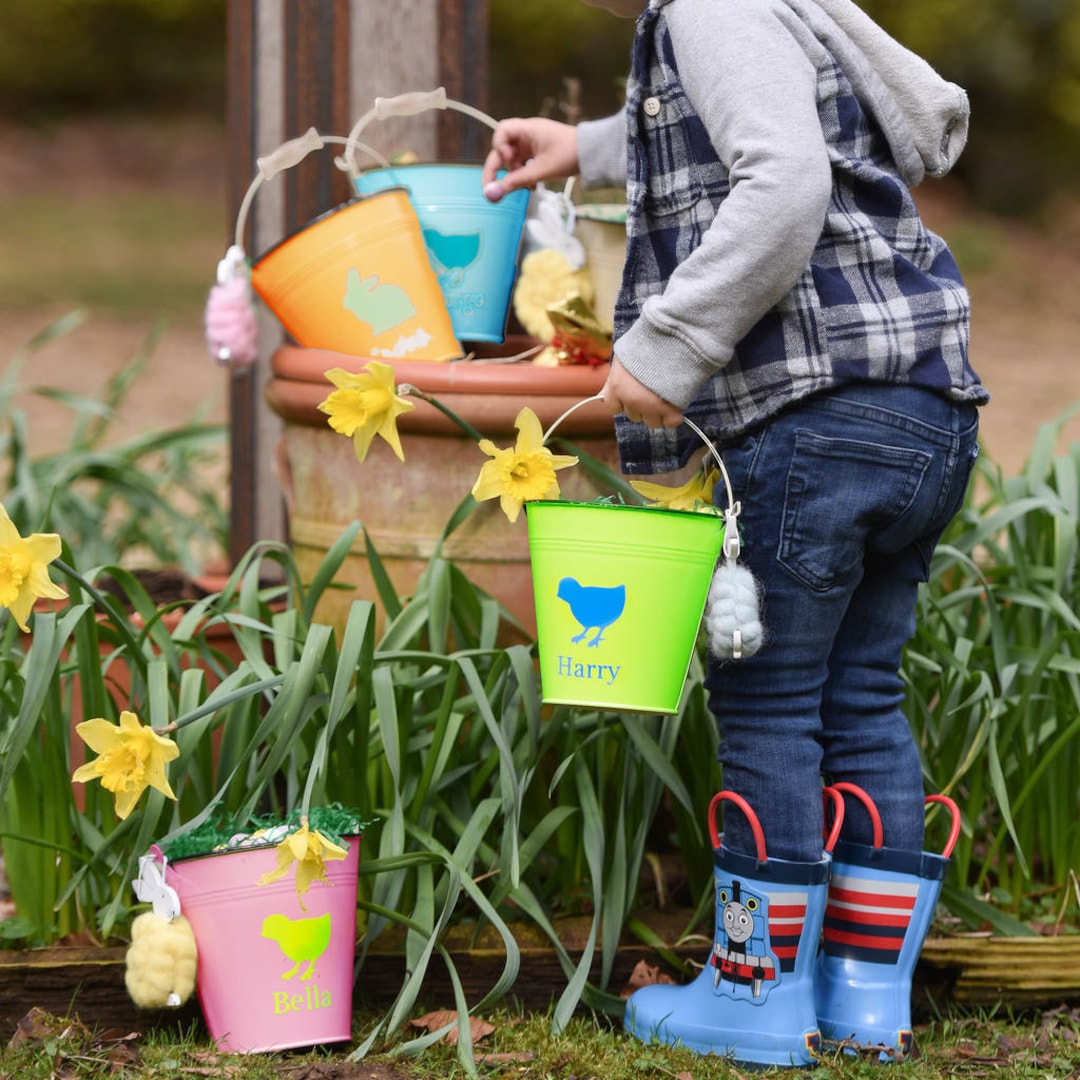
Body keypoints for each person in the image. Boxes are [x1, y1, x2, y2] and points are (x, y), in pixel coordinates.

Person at [482, 0, 988, 1067]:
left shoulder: (708, 8)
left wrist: (670, 346)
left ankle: (758, 994)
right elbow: (745, 124)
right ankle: (860, 998)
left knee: (767, 700)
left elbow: (785, 180)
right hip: (919, 412)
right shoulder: (763, 9)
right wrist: (587, 148)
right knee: (862, 693)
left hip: (807, 415)